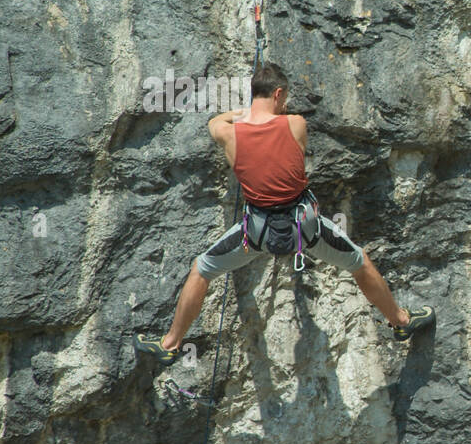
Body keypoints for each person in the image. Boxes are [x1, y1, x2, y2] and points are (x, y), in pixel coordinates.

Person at [134, 63, 433, 365]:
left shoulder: (228, 134)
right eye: (284, 98)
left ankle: (170, 344)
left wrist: (242, 114)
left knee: (202, 269)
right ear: (278, 94)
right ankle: (401, 322)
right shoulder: (295, 124)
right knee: (359, 262)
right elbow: (284, 139)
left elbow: (215, 121)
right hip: (305, 228)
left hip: (258, 232)